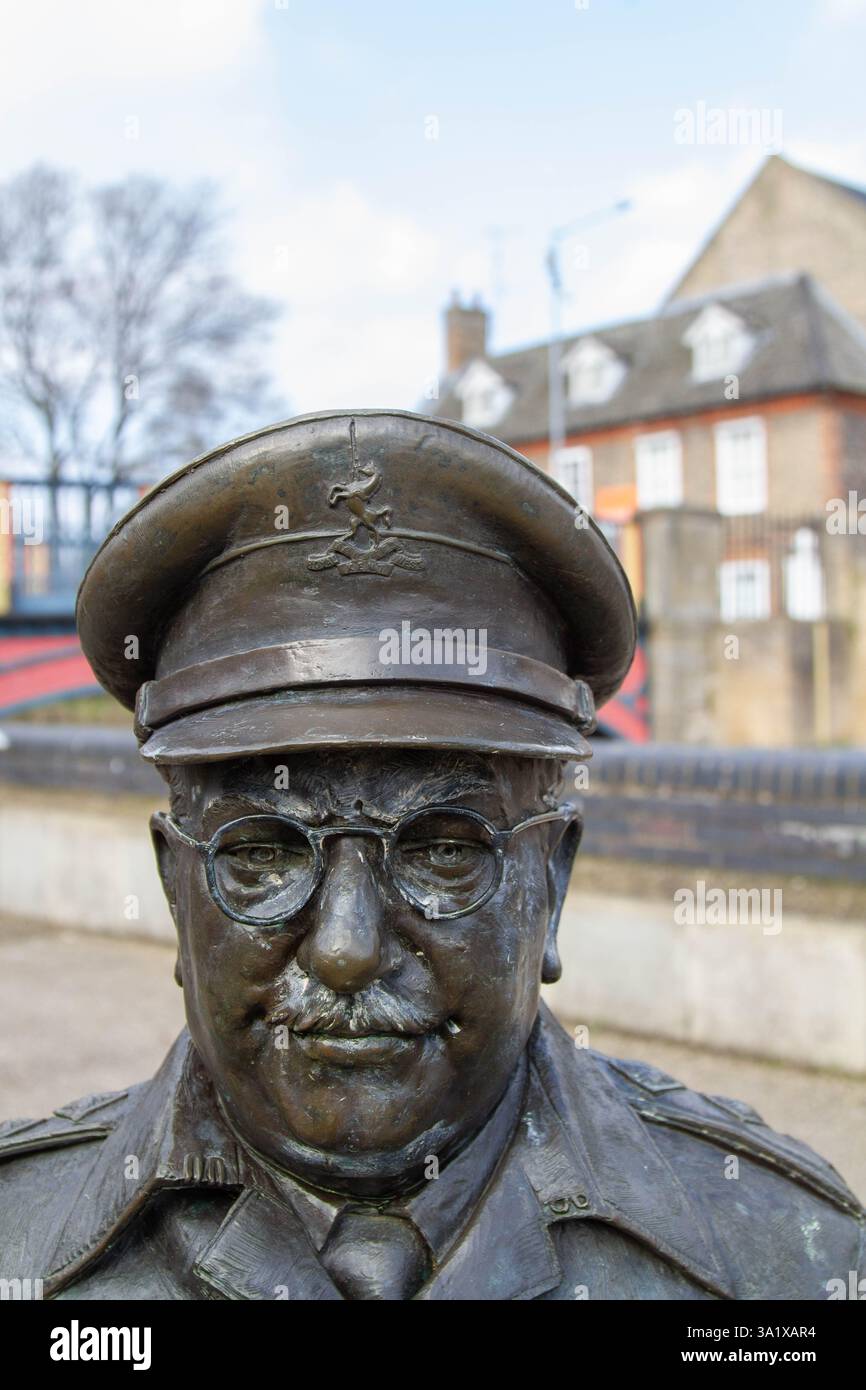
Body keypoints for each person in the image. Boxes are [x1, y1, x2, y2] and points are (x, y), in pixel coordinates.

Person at [1, 411, 862, 1300]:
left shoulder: (794, 1268)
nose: (345, 948)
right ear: (175, 895)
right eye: (260, 855)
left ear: (552, 886)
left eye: (444, 851)